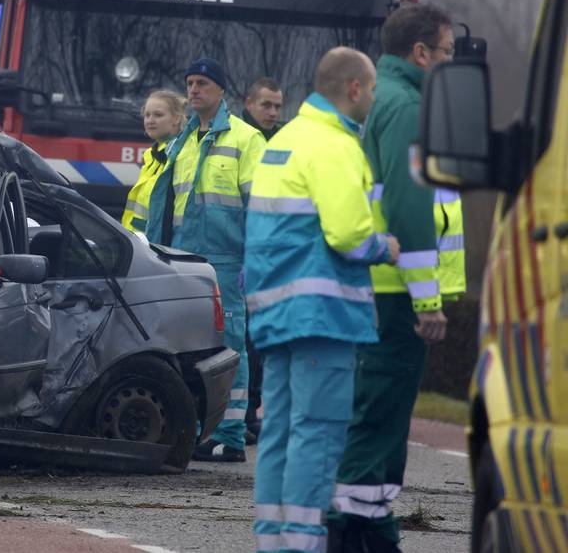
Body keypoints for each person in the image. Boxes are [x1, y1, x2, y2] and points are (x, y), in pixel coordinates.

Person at [244, 47, 399, 553]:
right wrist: (386, 246)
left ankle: (274, 540)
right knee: (320, 431)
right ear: (355, 88)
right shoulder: (334, 145)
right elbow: (350, 235)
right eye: (371, 89)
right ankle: (305, 541)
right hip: (323, 314)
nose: (373, 98)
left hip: (276, 309)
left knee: (280, 431)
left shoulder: (285, 138)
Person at [327, 4, 462, 553]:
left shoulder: (385, 98)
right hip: (398, 294)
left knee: (380, 422)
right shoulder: (408, 106)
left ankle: (373, 532)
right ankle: (346, 532)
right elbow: (409, 210)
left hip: (381, 287)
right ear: (422, 53)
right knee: (378, 421)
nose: (450, 65)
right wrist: (428, 299)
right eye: (448, 53)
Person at [145, 57, 265, 463]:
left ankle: (230, 436)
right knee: (194, 347)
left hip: (227, 260)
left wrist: (255, 259)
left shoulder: (246, 140)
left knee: (230, 347)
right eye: (190, 83)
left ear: (221, 90)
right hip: (186, 258)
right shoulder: (186, 141)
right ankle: (203, 431)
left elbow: (260, 206)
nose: (194, 90)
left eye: (203, 83)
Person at [240, 76, 284, 445]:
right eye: (266, 105)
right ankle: (248, 414)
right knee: (249, 339)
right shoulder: (242, 139)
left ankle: (253, 411)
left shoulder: (283, 140)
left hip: (273, 253)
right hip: (245, 252)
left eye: (277, 106)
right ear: (248, 103)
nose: (272, 112)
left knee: (260, 339)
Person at [122, 90, 186, 234]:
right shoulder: (153, 156)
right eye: (147, 115)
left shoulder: (179, 156)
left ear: (176, 119)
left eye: (158, 115)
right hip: (141, 244)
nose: (150, 120)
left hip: (156, 247)